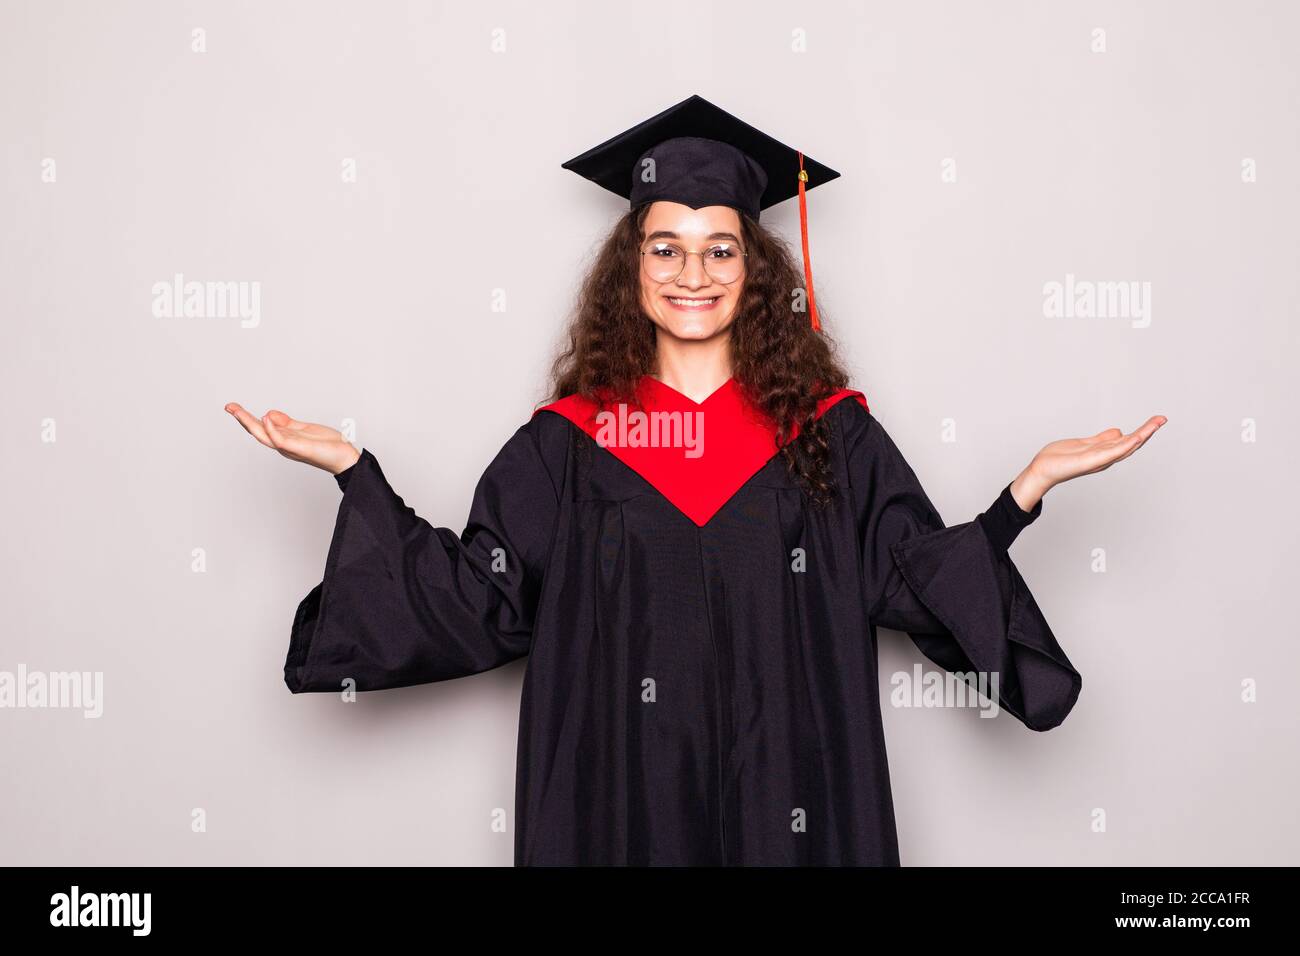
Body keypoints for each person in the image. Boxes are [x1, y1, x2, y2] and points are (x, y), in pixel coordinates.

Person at [225, 95, 1164, 865]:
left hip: (791, 811)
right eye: (664, 246)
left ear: (754, 271)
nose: (692, 273)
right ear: (629, 269)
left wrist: (1022, 497)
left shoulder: (828, 438)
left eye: (720, 248)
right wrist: (356, 473)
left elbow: (916, 580)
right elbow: (483, 600)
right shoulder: (571, 445)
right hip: (617, 811)